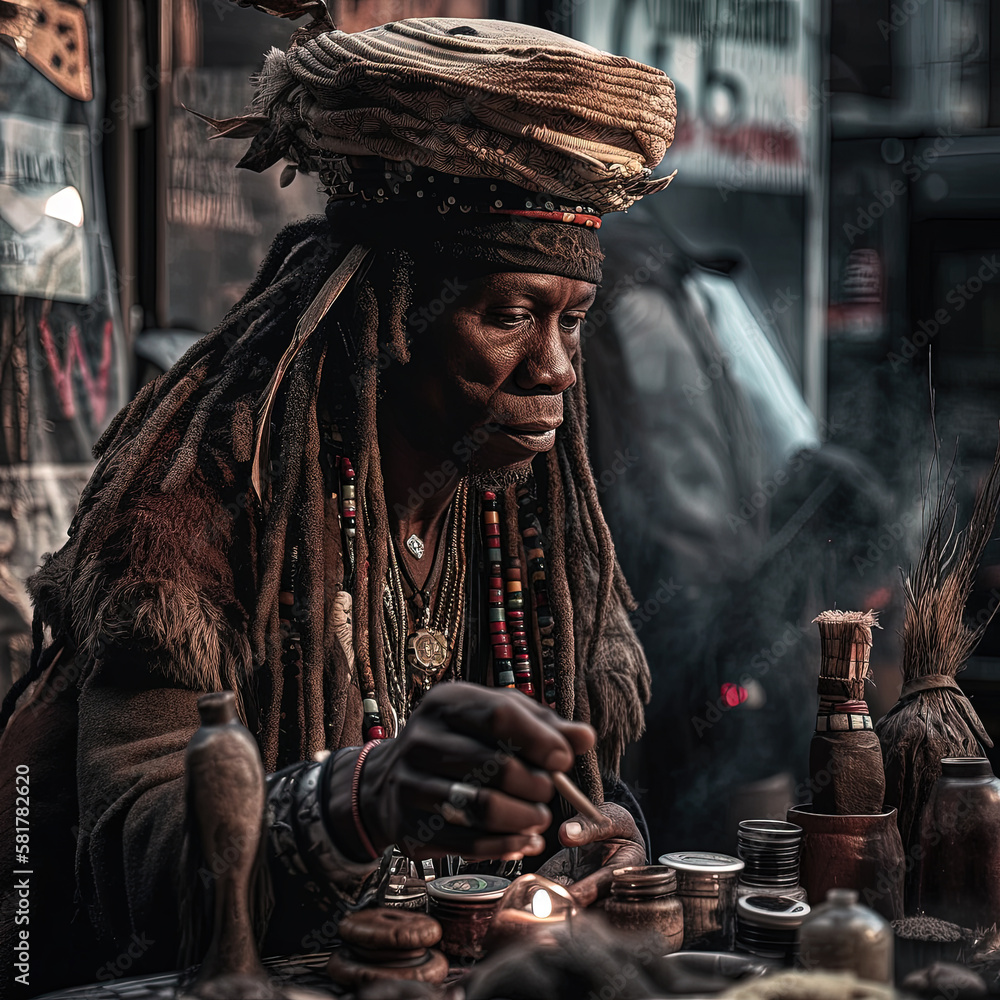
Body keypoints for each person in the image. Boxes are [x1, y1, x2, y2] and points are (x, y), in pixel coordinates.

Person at [0, 12, 676, 995]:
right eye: (508, 315)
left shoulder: (531, 524)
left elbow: (571, 793)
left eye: (571, 320)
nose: (557, 367)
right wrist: (360, 797)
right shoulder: (202, 508)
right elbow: (129, 850)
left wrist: (596, 831)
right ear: (394, 313)